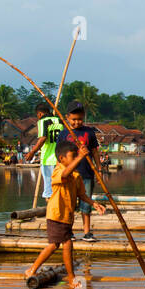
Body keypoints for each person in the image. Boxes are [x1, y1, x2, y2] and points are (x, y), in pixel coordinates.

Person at [24, 139, 107, 289]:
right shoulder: (58, 171)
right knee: (66, 244)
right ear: (61, 159)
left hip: (66, 217)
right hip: (56, 215)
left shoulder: (76, 175)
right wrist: (80, 157)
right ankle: (71, 277)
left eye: (76, 155)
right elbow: (64, 175)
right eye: (72, 156)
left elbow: (82, 194)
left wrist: (94, 204)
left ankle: (32, 269)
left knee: (54, 245)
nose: (75, 158)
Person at [61, 101, 101, 241]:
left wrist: (99, 168)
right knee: (70, 204)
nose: (77, 122)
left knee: (86, 204)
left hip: (86, 173)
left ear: (83, 117)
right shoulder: (64, 133)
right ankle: (69, 232)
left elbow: (95, 151)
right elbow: (59, 155)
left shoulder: (89, 132)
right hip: (71, 174)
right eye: (74, 119)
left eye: (79, 119)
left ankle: (87, 232)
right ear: (67, 118)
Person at [23, 102, 63, 203]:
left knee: (49, 189)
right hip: (61, 160)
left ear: (40, 114)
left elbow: (43, 138)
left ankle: (51, 211)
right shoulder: (59, 120)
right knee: (59, 186)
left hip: (48, 159)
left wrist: (32, 152)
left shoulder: (42, 122)